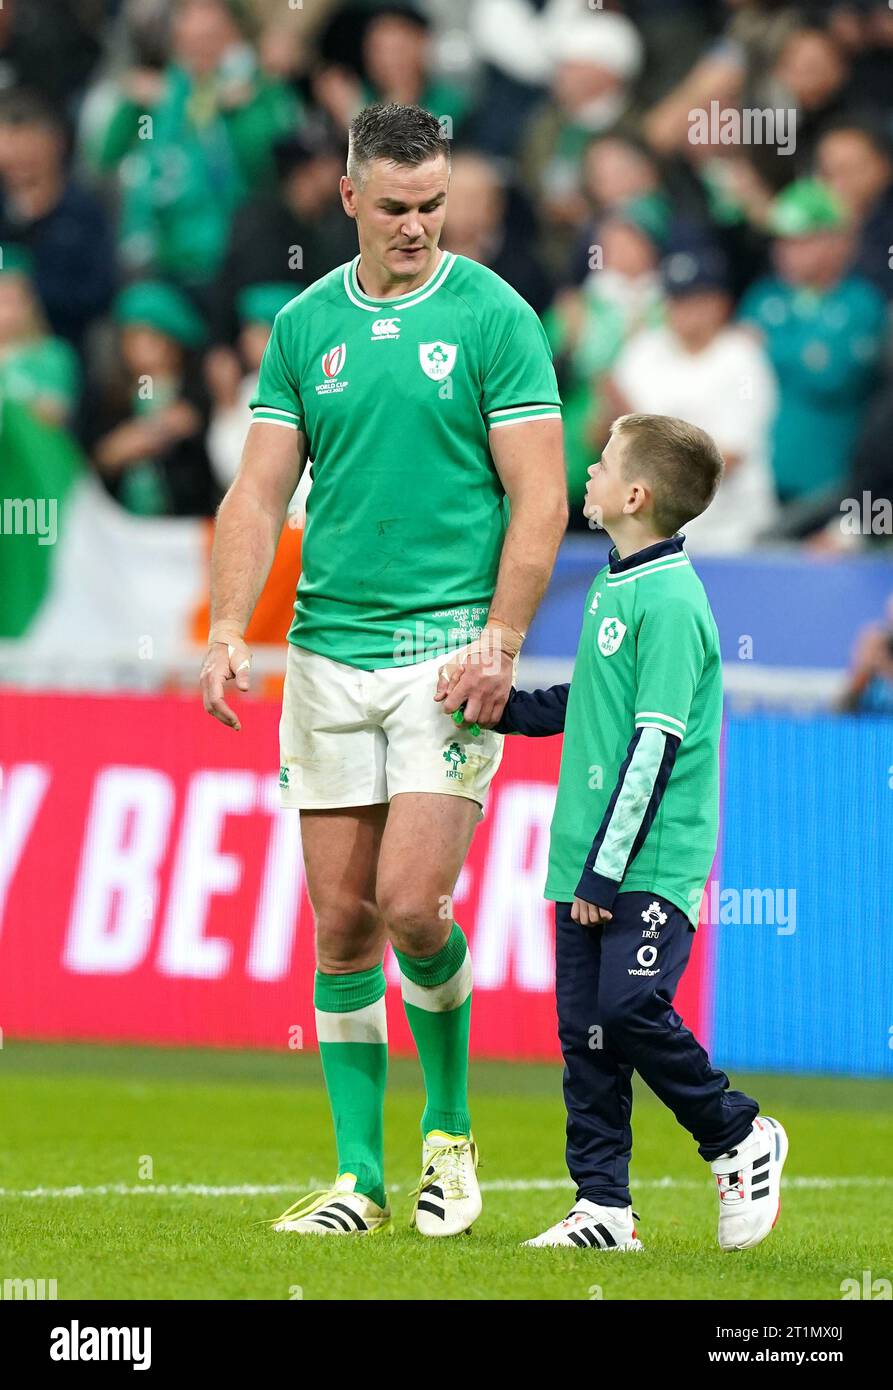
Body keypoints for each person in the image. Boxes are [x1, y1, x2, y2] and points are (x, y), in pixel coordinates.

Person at [199, 102, 567, 1239]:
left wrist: (501, 643)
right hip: (323, 651)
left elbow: (540, 498)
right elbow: (259, 492)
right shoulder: (305, 326)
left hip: (445, 652)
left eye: (433, 206)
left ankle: (448, 1131)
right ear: (349, 198)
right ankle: (357, 1179)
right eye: (396, 206)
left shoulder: (495, 315)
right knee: (340, 923)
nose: (416, 226)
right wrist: (225, 628)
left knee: (413, 903)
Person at [489, 413, 788, 1252]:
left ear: (635, 494)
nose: (587, 469)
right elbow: (592, 708)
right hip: (588, 852)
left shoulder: (669, 600)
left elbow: (654, 745)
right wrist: (500, 710)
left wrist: (602, 875)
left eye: (605, 460)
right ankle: (602, 1209)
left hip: (640, 862)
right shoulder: (615, 584)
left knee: (629, 1008)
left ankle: (736, 1133)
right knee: (585, 1034)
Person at [608, 238, 778, 552]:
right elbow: (603, 442)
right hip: (652, 536)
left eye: (696, 300)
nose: (685, 312)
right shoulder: (642, 351)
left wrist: (644, 449)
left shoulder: (742, 357)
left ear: (720, 304)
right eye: (677, 300)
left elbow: (727, 459)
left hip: (733, 535)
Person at [738, 178, 886, 507]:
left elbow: (833, 375)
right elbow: (734, 370)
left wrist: (767, 346)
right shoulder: (764, 296)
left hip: (828, 482)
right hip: (756, 480)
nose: (786, 252)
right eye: (782, 241)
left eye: (802, 240)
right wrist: (799, 353)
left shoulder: (862, 302)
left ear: (837, 241)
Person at [0, 242, 80, 427]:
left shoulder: (53, 354)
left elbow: (55, 415)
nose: (4, 312)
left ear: (28, 303)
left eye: (10, 301)